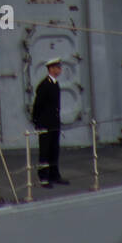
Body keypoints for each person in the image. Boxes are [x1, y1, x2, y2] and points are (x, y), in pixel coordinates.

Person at [31, 58, 69, 188]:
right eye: (57, 67)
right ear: (51, 69)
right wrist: (37, 121)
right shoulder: (44, 85)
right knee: (45, 151)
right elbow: (38, 105)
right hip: (45, 124)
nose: (59, 69)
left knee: (54, 149)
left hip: (54, 123)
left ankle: (54, 175)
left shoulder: (54, 84)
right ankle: (44, 178)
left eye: (59, 67)